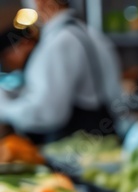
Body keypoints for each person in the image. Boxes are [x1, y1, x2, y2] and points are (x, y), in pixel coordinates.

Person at [0, 0, 121, 141]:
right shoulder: (92, 34)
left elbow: (48, 114)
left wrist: (5, 109)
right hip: (105, 138)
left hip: (76, 147)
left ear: (41, 2)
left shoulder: (58, 43)